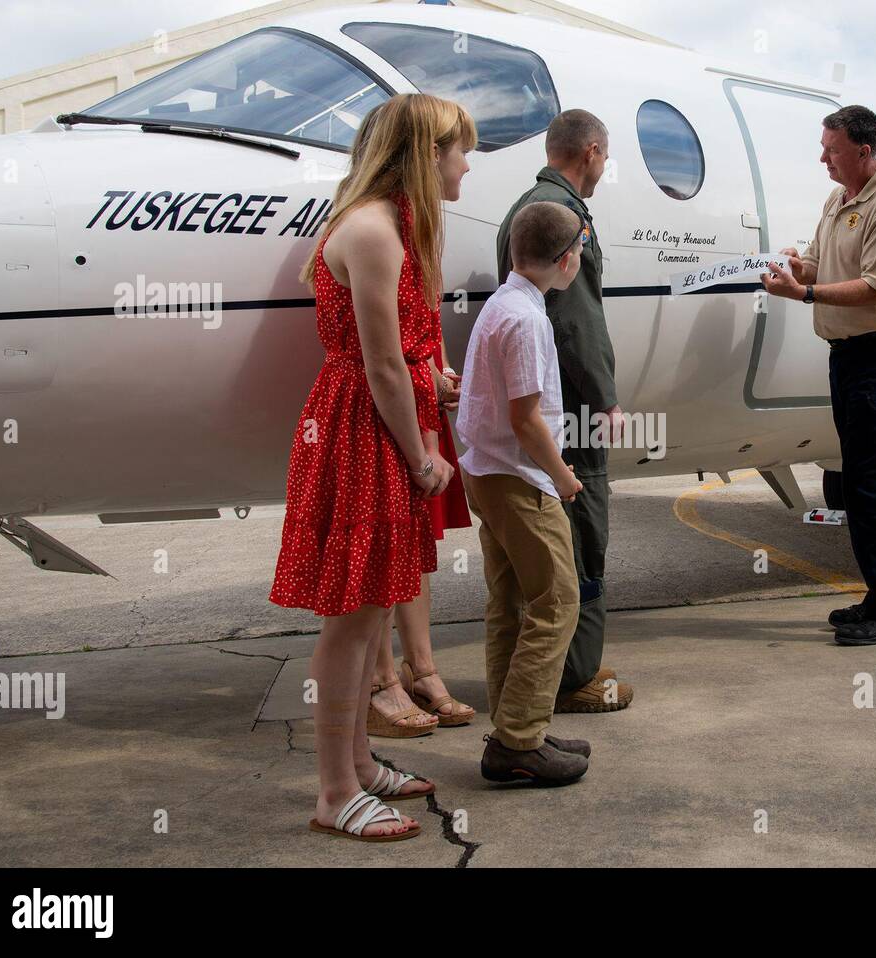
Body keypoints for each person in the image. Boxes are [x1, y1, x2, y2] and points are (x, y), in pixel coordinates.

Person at [268, 93, 477, 840]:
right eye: (458, 150)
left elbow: (403, 359)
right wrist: (422, 454)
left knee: (377, 604)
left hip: (376, 419)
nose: (465, 164)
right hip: (366, 429)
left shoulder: (394, 225)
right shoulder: (375, 230)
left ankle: (358, 763)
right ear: (424, 154)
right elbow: (381, 365)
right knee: (353, 620)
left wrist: (435, 384)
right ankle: (333, 792)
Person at [761, 104, 876, 646]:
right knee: (855, 486)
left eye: (831, 149)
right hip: (848, 359)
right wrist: (796, 267)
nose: (823, 157)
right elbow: (819, 263)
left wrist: (802, 292)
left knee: (875, 490)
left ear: (864, 151)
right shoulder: (839, 200)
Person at [496, 109, 633, 714]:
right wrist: (604, 396)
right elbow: (577, 324)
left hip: (542, 406)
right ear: (593, 152)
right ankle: (575, 677)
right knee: (583, 533)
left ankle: (523, 681)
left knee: (530, 558)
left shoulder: (526, 207)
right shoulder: (566, 219)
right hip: (571, 407)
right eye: (605, 158)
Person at [458, 200, 592, 786]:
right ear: (566, 260)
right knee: (558, 603)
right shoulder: (528, 320)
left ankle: (516, 728)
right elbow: (526, 418)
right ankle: (517, 740)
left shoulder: (502, 305)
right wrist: (563, 477)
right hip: (519, 479)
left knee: (510, 604)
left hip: (486, 474)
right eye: (579, 251)